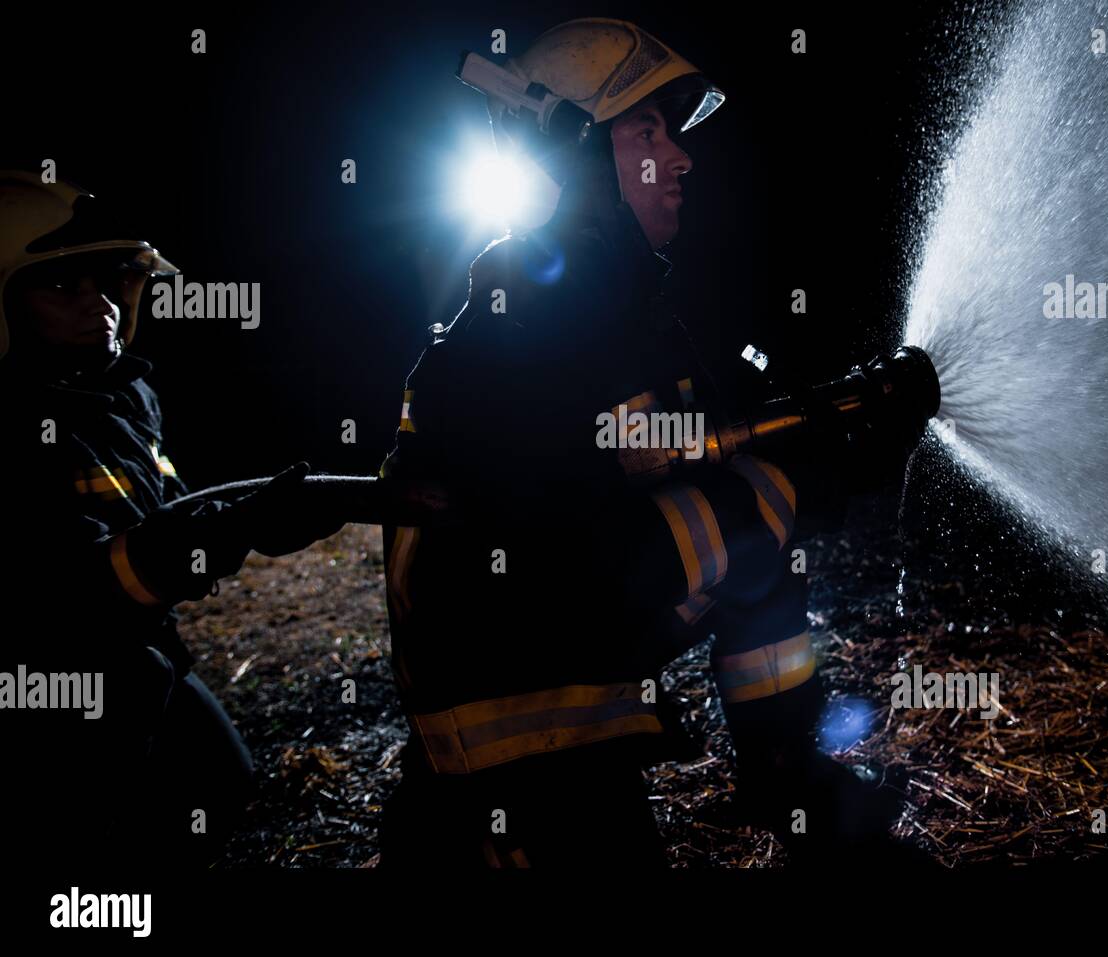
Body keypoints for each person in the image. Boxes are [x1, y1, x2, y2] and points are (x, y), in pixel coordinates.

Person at [376, 19, 938, 868]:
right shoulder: (521, 326)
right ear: (572, 153)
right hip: (507, 746)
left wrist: (842, 426)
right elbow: (579, 561)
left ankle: (787, 773)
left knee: (763, 516)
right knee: (761, 506)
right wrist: (793, 481)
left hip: (560, 685)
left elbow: (689, 454)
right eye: (647, 132)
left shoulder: (608, 315)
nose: (680, 158)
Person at [0, 170, 342, 869]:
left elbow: (165, 517)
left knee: (217, 778)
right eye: (64, 287)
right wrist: (230, 528)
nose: (99, 303)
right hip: (41, 685)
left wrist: (262, 519)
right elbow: (80, 588)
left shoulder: (121, 397)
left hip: (131, 659)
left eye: (107, 280)